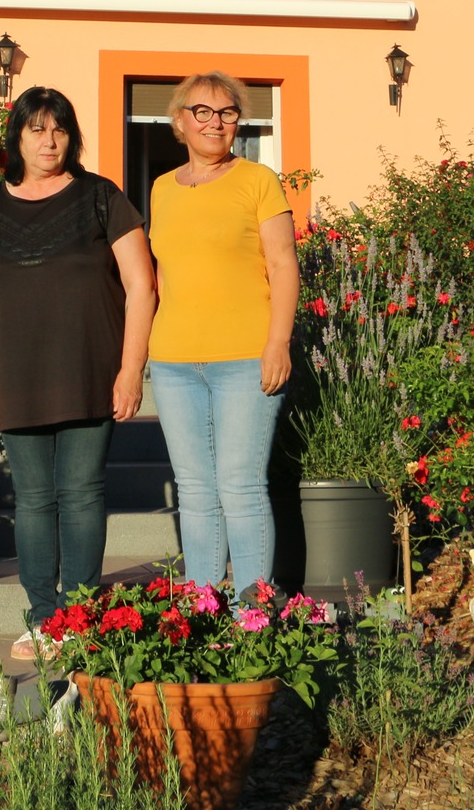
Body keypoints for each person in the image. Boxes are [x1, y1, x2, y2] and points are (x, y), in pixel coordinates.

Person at [0, 87, 155, 660]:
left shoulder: (100, 198)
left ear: (73, 136)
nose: (49, 140)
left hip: (91, 371)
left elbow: (142, 283)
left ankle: (83, 613)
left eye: (60, 129)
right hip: (18, 377)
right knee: (35, 498)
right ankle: (45, 618)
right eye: (37, 129)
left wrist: (131, 368)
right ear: (17, 136)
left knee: (83, 493)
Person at [145, 71, 298, 594]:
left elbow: (283, 264)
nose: (215, 122)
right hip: (172, 363)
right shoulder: (162, 188)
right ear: (180, 122)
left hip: (244, 359)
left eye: (227, 113)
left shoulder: (257, 180)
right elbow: (162, 275)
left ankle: (251, 619)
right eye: (203, 112)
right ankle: (204, 614)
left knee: (241, 488)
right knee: (194, 491)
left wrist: (277, 342)